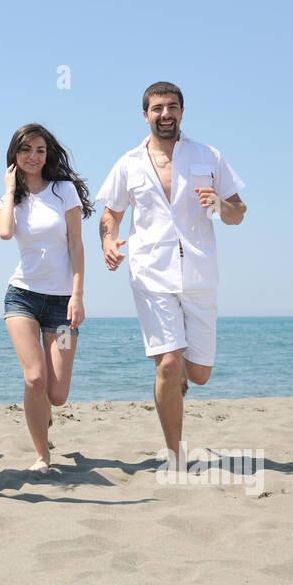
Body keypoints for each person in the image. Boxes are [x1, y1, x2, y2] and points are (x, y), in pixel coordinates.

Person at [96, 82, 246, 468]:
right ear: (145, 114)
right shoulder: (128, 162)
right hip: (150, 272)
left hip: (199, 271)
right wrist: (109, 242)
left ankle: (178, 377)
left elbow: (238, 210)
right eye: (157, 108)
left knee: (198, 375)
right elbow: (110, 213)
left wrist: (220, 205)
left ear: (182, 112)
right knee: (168, 362)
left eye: (172, 107)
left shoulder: (207, 155)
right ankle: (175, 455)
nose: (166, 114)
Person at [0, 125, 93, 473]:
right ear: (15, 156)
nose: (33, 156)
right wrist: (9, 191)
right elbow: (4, 232)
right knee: (34, 378)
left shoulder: (63, 190)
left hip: (62, 303)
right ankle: (42, 455)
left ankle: (44, 416)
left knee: (57, 394)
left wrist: (77, 296)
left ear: (47, 154)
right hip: (21, 298)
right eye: (25, 150)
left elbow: (76, 245)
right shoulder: (10, 199)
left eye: (39, 149)